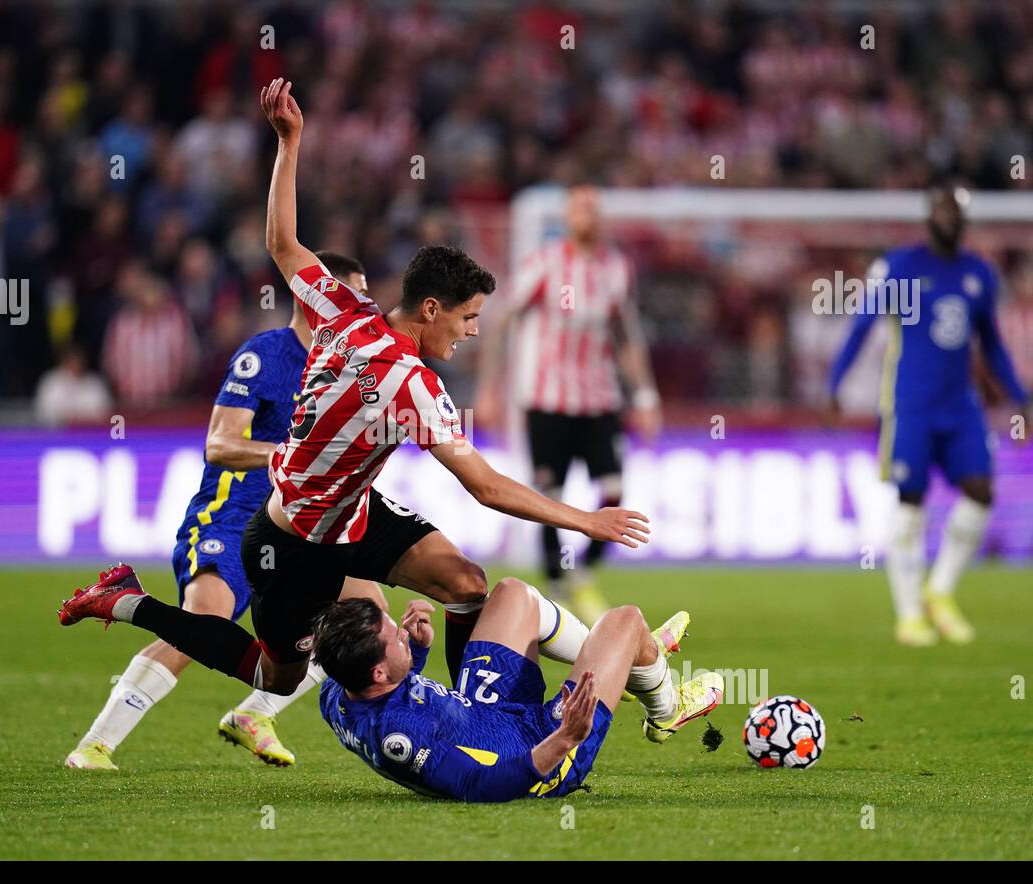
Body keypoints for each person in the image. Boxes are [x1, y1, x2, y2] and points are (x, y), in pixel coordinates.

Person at [58, 79, 650, 718]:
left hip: (353, 514)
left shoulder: (343, 309)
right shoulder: (413, 386)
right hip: (292, 539)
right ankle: (128, 602)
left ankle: (471, 712)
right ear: (431, 308)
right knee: (274, 676)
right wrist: (586, 520)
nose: (473, 330)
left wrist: (289, 144)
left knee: (466, 584)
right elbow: (486, 487)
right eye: (468, 316)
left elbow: (283, 245)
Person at [65, 252, 384, 770]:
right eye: (351, 296)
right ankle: (95, 743)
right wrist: (285, 457)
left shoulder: (349, 369)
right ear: (314, 297)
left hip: (298, 531)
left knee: (367, 617)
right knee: (204, 624)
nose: (362, 309)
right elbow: (219, 443)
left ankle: (254, 713)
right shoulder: (264, 355)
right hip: (231, 519)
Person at [828, 181, 1029, 646]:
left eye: (956, 210)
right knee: (910, 503)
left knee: (980, 491)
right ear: (928, 214)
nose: (948, 217)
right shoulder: (900, 267)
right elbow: (862, 325)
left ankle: (939, 590)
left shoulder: (979, 273)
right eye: (941, 208)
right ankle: (909, 614)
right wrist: (836, 382)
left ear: (964, 219)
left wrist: (1019, 397)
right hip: (910, 405)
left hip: (960, 405)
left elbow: (993, 345)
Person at [313, 579, 724, 802]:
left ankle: (629, 664)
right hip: (535, 749)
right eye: (396, 640)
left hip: (483, 710)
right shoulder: (400, 736)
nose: (402, 633)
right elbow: (476, 786)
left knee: (513, 594)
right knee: (625, 620)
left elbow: (391, 689)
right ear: (380, 672)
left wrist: (415, 654)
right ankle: (665, 707)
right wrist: (563, 739)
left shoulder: (337, 691)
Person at [476, 184, 661, 625]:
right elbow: (503, 320)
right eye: (579, 208)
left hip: (599, 401)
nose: (587, 215)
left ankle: (583, 572)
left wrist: (646, 394)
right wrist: (488, 387)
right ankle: (558, 583)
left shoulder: (616, 269)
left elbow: (626, 336)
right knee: (547, 498)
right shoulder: (544, 263)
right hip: (547, 401)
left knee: (614, 488)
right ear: (567, 216)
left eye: (594, 208)